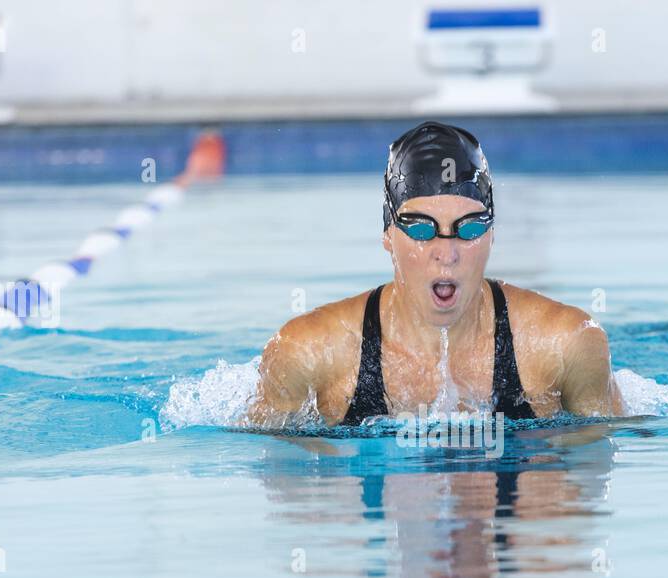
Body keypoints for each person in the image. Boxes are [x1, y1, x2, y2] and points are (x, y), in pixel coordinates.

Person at [247, 121, 625, 427]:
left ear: (492, 235)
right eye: (422, 229)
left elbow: (590, 476)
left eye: (470, 228)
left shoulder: (566, 346)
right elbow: (283, 485)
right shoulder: (309, 353)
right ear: (387, 235)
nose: (447, 253)